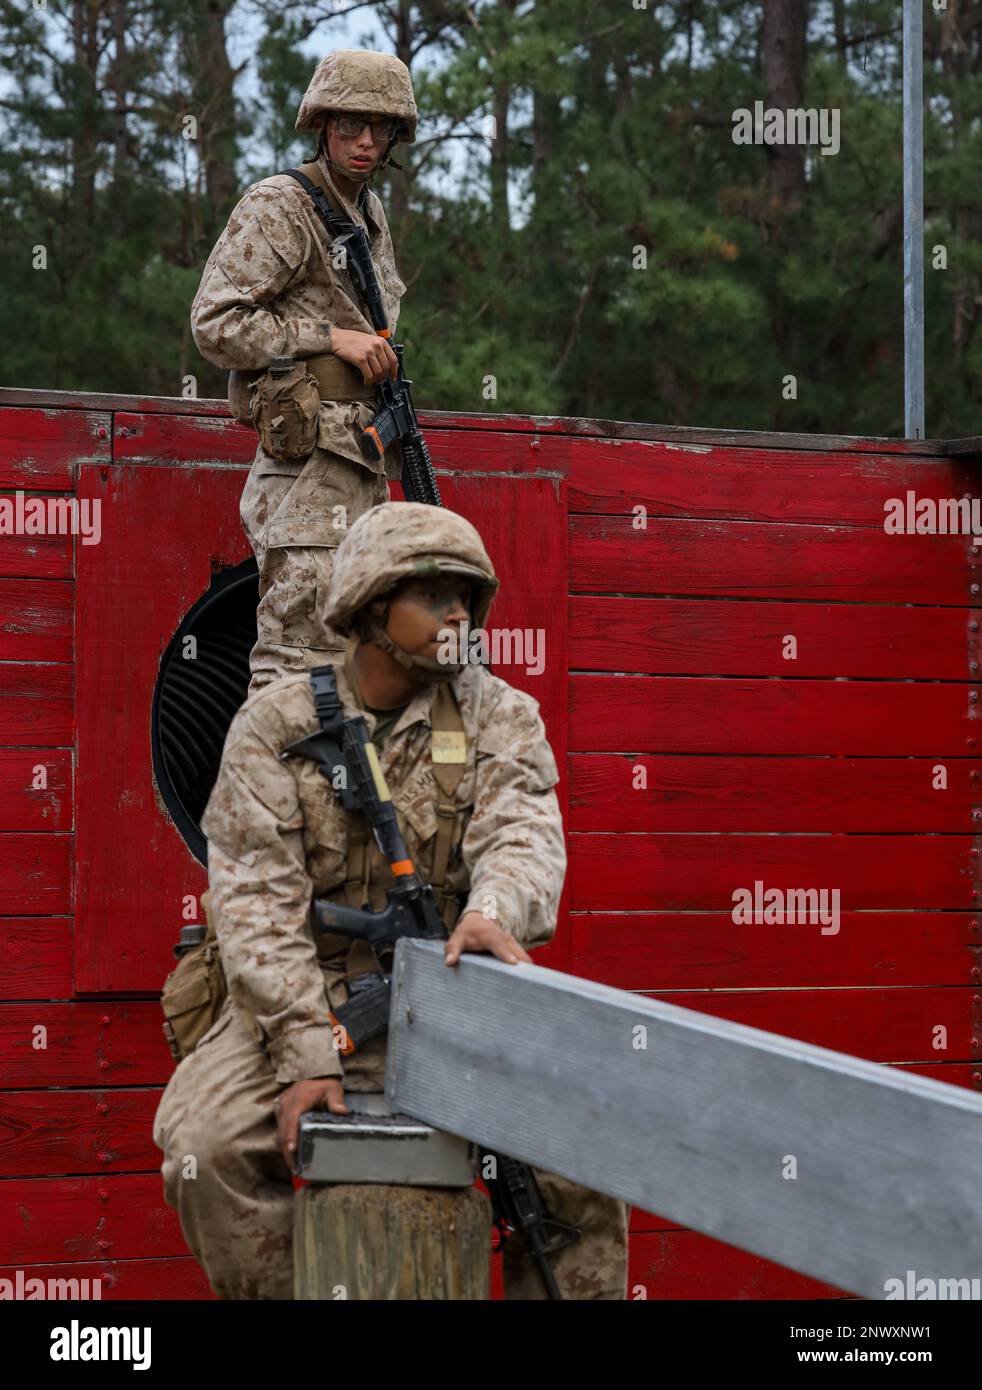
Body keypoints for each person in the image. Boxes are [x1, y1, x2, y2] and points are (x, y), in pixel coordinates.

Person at [152, 502, 629, 1299]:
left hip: (453, 983)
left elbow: (524, 835)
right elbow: (256, 906)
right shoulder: (276, 725)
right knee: (205, 1148)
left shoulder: (501, 717)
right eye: (432, 593)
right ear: (372, 606)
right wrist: (304, 1054)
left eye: (466, 597)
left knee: (581, 1150)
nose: (456, 613)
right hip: (302, 997)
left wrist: (495, 912)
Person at [189, 49, 416, 695]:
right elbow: (216, 324)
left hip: (358, 461)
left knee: (350, 666)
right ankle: (267, 793)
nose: (366, 141)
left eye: (382, 128)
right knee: (296, 665)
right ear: (322, 124)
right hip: (305, 470)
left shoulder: (367, 214)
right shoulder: (284, 205)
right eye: (350, 124)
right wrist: (328, 337)